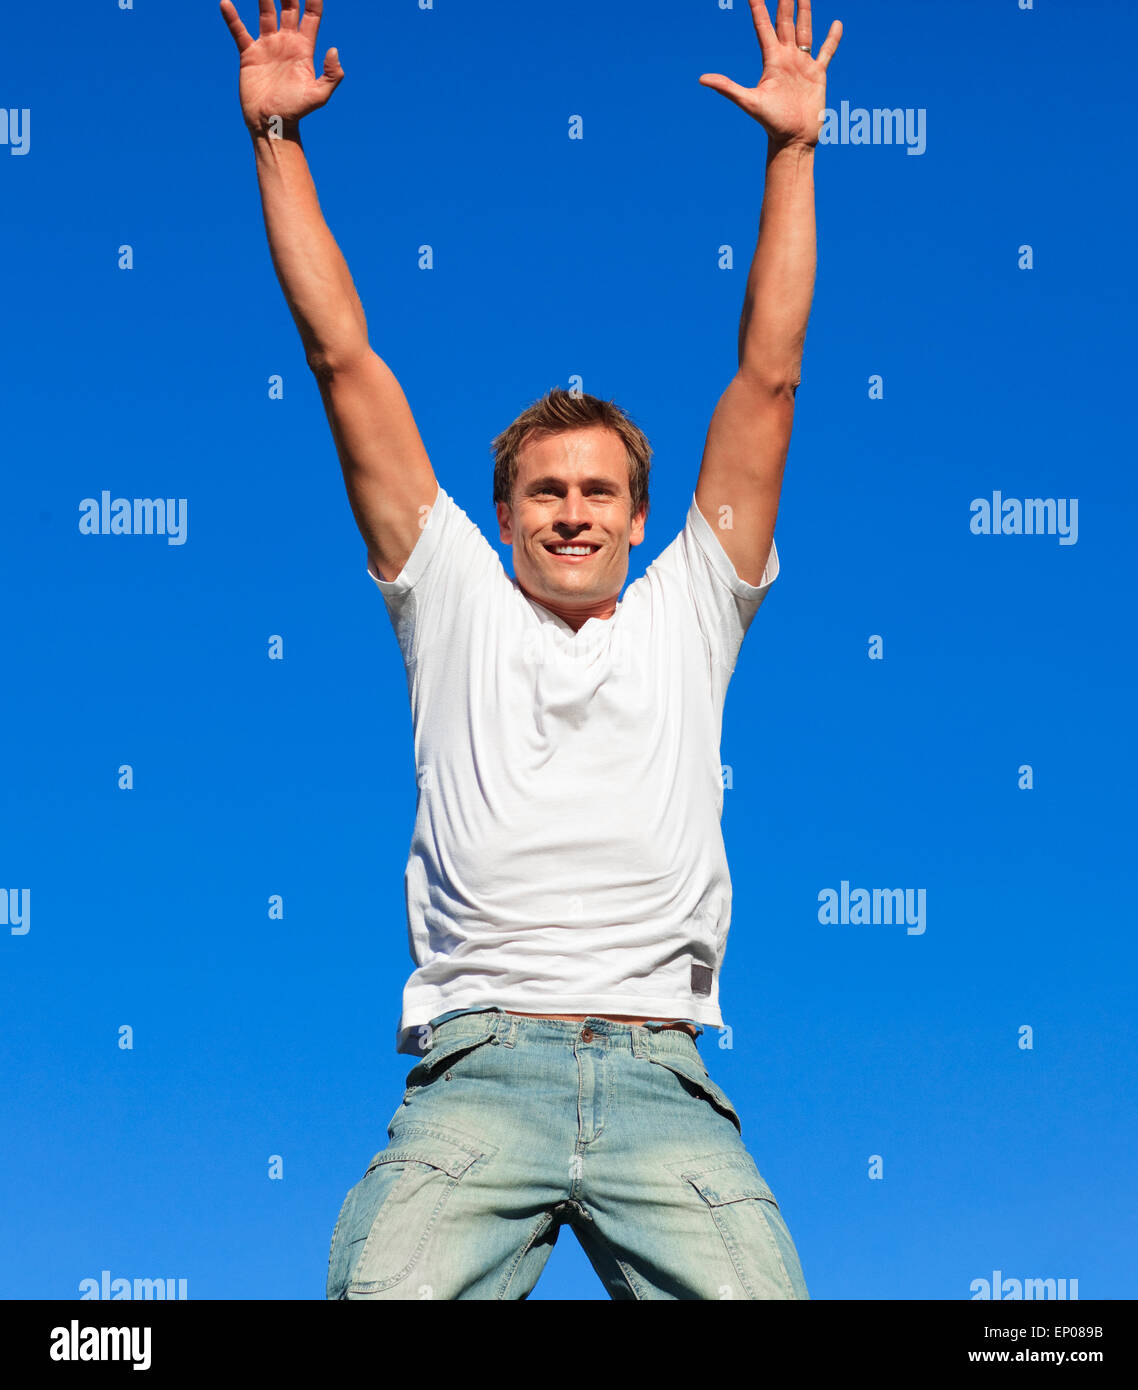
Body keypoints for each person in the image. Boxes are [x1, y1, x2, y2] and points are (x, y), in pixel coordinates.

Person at [221, 0, 842, 1300]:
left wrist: (791, 156)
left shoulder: (692, 607)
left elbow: (768, 381)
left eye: (600, 491)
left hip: (663, 1075)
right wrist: (276, 136)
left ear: (638, 516)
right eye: (546, 491)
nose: (572, 510)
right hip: (477, 1069)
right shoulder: (448, 593)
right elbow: (342, 359)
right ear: (499, 516)